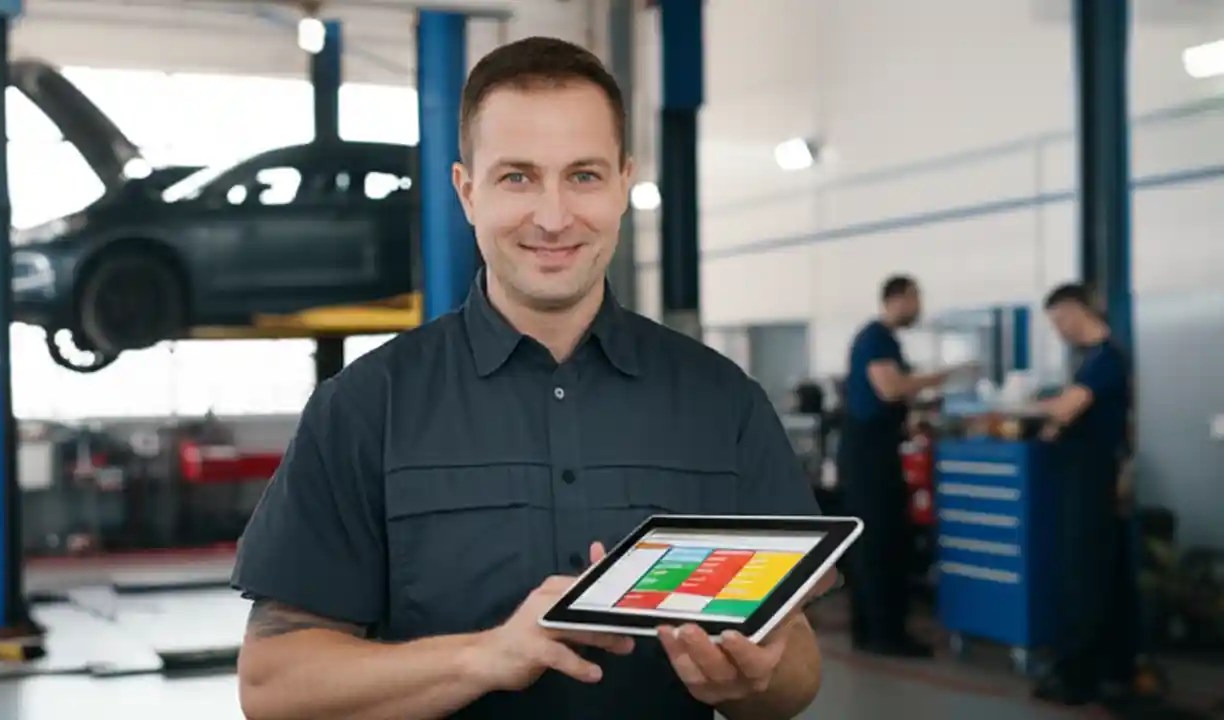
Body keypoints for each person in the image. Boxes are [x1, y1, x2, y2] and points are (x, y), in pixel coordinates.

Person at [230, 36, 827, 720]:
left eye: (584, 176)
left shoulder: (723, 403)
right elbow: (273, 686)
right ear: (466, 191)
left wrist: (755, 679)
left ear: (623, 184)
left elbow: (799, 663)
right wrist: (483, 657)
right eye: (518, 177)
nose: (552, 217)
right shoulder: (367, 408)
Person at [838, 275, 966, 658]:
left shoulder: (883, 340)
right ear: (899, 299)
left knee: (874, 543)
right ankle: (886, 635)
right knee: (882, 542)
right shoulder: (876, 337)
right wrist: (943, 376)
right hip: (869, 456)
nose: (919, 308)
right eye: (915, 299)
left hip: (873, 450)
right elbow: (890, 389)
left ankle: (871, 631)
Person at [1033, 283, 1133, 706]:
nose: (1058, 331)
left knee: (1084, 578)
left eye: (1058, 321)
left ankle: (1078, 677)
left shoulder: (1106, 359)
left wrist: (1022, 406)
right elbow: (1064, 421)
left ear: (1076, 312)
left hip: (1092, 483)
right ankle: (1103, 667)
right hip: (1081, 480)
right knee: (1093, 575)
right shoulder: (1089, 362)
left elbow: (1065, 410)